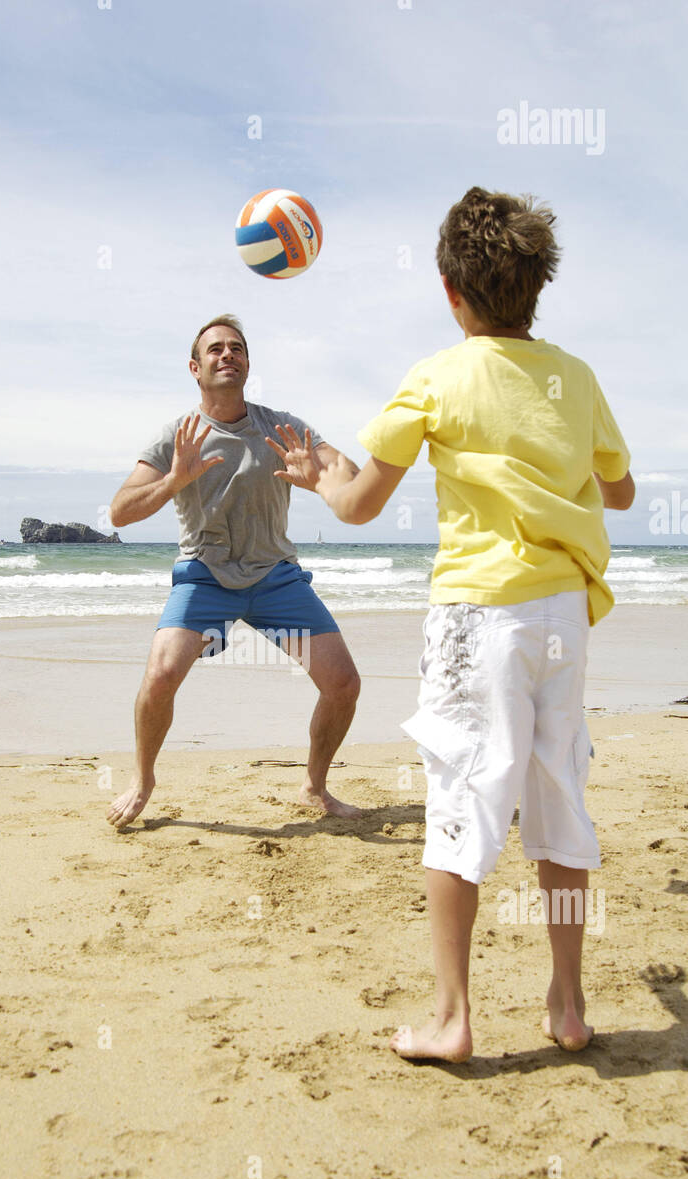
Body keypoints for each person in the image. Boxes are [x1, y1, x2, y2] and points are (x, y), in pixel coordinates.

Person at [271, 187, 634, 1062]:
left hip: (479, 615)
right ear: (535, 285)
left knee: (460, 800)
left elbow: (359, 502)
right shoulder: (575, 379)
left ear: (450, 290)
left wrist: (316, 473)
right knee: (558, 800)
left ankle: (451, 1018)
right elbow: (617, 491)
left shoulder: (435, 376)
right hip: (562, 617)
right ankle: (567, 1003)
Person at [106, 314, 362, 828]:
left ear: (247, 363)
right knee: (159, 677)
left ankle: (314, 786)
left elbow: (350, 476)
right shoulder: (179, 434)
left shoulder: (281, 426)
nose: (227, 355)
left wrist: (320, 481)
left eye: (237, 348)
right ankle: (143, 780)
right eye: (216, 350)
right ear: (195, 367)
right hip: (205, 577)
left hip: (276, 579)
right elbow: (120, 512)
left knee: (343, 683)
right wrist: (174, 479)